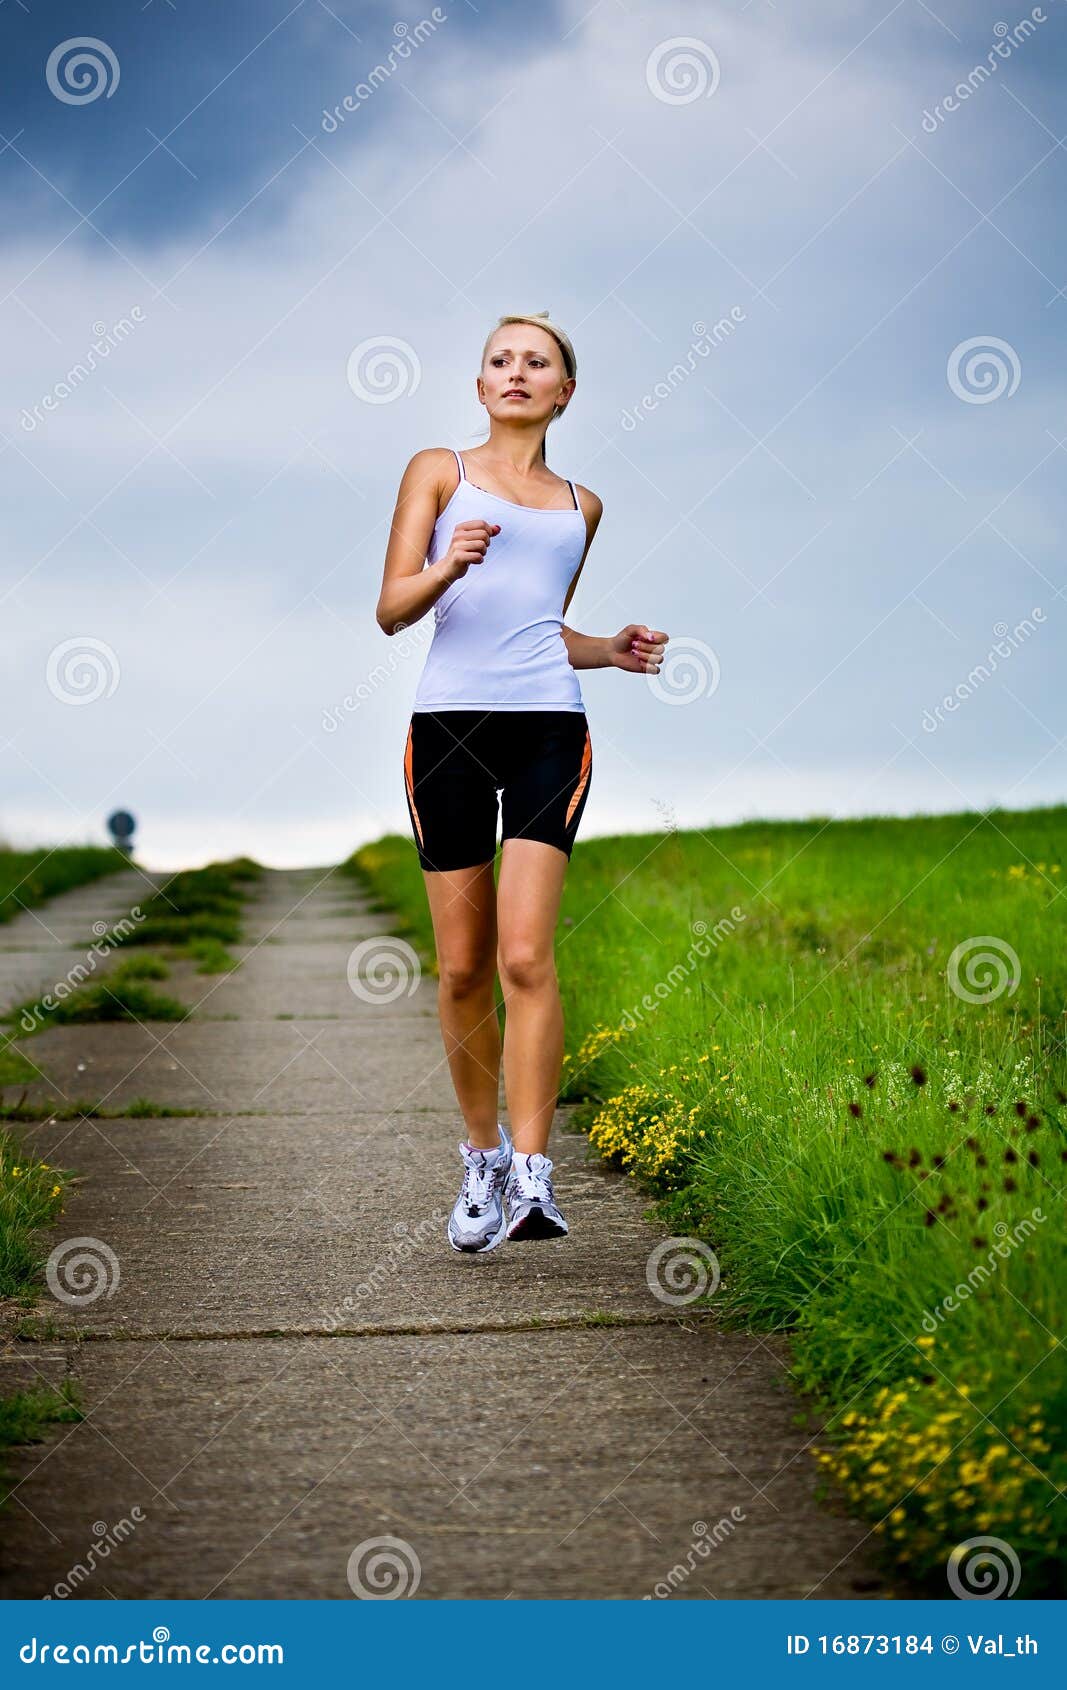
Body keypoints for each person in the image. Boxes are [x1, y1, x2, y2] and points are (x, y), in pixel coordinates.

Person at [375, 311, 667, 1253]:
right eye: (499, 359)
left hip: (550, 727)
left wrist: (608, 652)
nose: (513, 372)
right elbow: (391, 609)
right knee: (462, 965)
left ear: (562, 393)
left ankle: (537, 1178)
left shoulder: (581, 505)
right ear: (480, 385)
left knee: (525, 959)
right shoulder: (437, 471)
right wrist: (444, 564)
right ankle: (483, 1158)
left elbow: (540, 628)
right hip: (449, 730)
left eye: (534, 362)